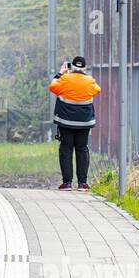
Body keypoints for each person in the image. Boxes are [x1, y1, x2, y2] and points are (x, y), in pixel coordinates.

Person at [49, 56, 100, 191]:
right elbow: (97, 90)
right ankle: (82, 183)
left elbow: (53, 86)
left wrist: (61, 73)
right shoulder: (90, 81)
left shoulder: (64, 79)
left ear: (71, 67)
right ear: (84, 68)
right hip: (84, 123)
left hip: (65, 122)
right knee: (82, 149)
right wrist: (84, 75)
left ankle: (67, 183)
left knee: (66, 149)